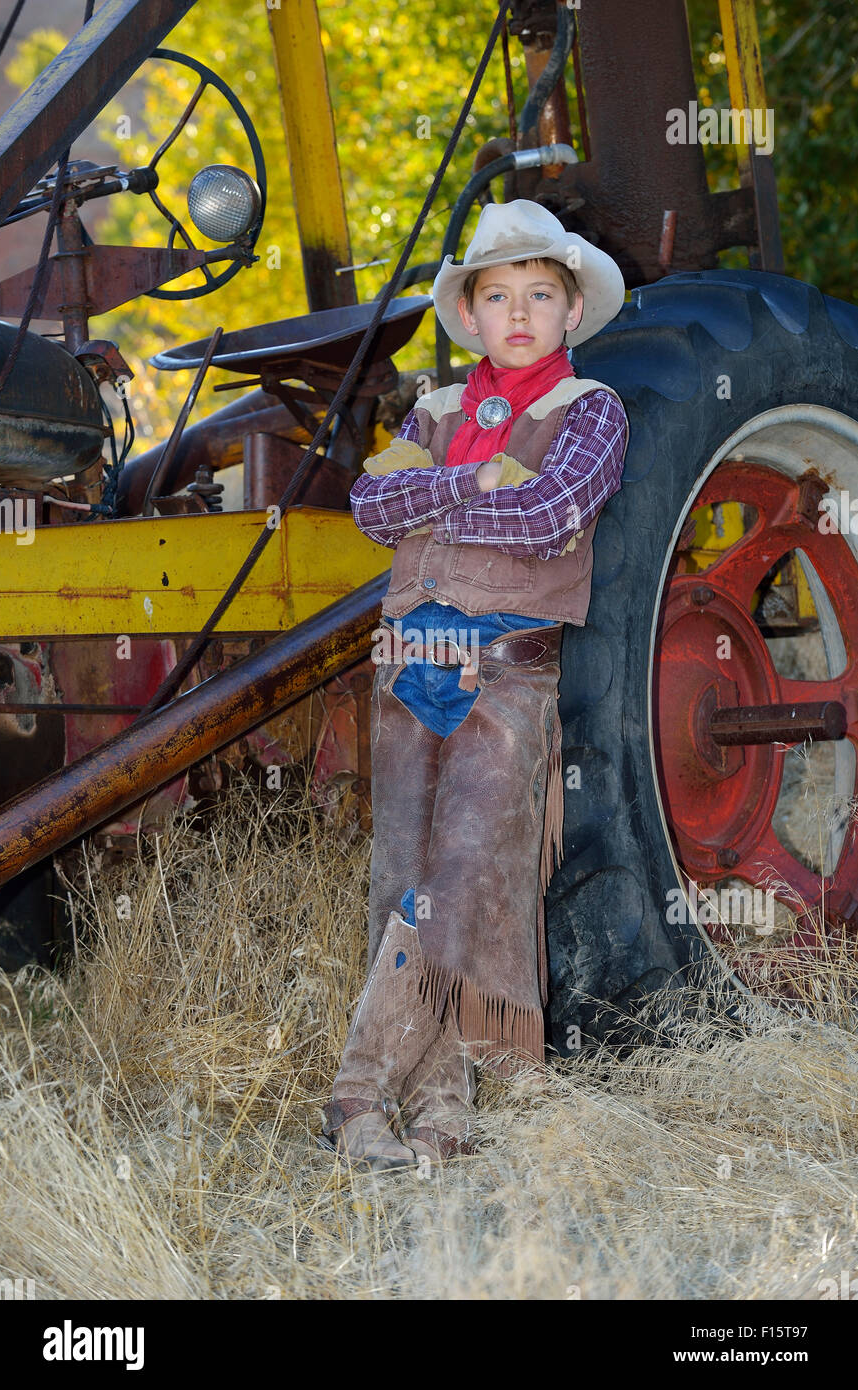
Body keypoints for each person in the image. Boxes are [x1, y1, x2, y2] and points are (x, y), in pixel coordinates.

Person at [319, 199, 630, 1170]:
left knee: (458, 888)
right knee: (402, 885)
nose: (521, 311)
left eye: (540, 293)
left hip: (503, 673)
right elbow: (374, 504)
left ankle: (357, 1089)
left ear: (572, 310)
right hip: (407, 663)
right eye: (499, 295)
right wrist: (473, 482)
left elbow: (551, 515)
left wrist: (446, 503)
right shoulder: (437, 410)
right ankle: (442, 1106)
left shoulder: (589, 411)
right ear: (474, 314)